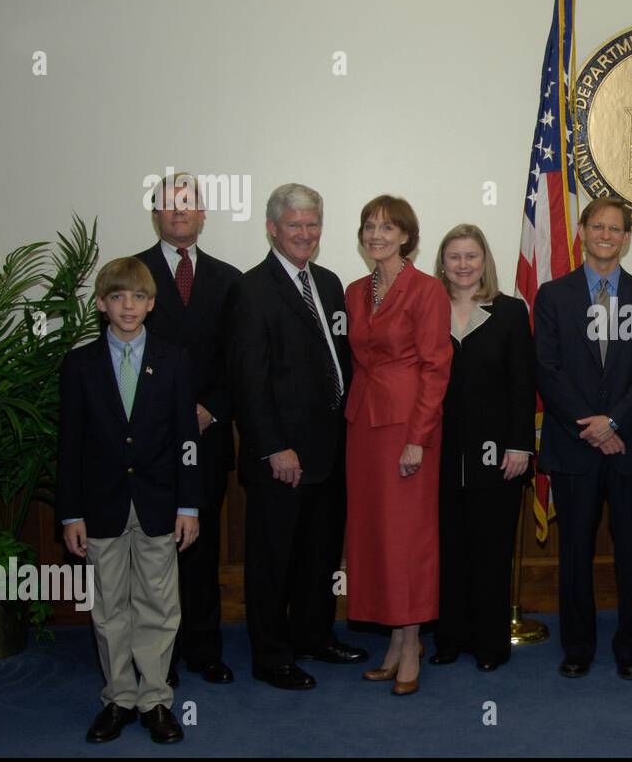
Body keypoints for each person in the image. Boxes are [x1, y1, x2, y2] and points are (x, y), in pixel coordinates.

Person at [228, 183, 366, 691]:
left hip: (331, 450)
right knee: (274, 559)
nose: (305, 234)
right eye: (294, 225)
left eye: (312, 225)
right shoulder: (251, 290)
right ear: (272, 228)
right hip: (281, 455)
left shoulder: (329, 284)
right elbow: (248, 380)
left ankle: (314, 635)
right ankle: (271, 655)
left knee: (320, 553)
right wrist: (272, 447)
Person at [57, 257, 200, 744]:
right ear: (101, 304)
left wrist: (189, 506)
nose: (128, 306)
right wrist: (71, 512)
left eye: (138, 297)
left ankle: (156, 699)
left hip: (161, 503)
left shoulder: (175, 359)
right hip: (100, 506)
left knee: (160, 604)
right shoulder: (80, 364)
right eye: (117, 297)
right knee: (109, 608)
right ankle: (119, 697)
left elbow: (187, 438)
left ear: (152, 304)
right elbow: (69, 445)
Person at [533, 195, 632, 680]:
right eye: (597, 226)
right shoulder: (553, 295)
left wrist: (613, 423)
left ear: (626, 238)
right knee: (574, 553)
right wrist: (591, 425)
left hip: (630, 448)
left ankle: (631, 649)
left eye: (615, 229)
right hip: (574, 447)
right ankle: (578, 647)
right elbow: (547, 370)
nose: (606, 235)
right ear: (583, 233)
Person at [135, 171, 242, 688]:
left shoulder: (229, 279)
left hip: (210, 435)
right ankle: (160, 656)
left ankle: (204, 649)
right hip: (150, 441)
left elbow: (241, 362)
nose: (179, 212)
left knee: (200, 545)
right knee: (155, 548)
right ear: (156, 215)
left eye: (189, 204)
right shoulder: (132, 277)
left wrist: (212, 409)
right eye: (168, 205)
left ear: (203, 215)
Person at [343, 196, 451, 695]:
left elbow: (436, 365)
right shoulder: (354, 290)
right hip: (363, 424)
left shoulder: (427, 290)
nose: (376, 235)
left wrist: (418, 438)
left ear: (406, 235)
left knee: (408, 539)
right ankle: (393, 640)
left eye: (387, 227)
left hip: (409, 427)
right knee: (376, 537)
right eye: (369, 226)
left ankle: (411, 645)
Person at [431, 224, 534, 673]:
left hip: (498, 455)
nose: (463, 265)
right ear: (442, 262)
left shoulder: (510, 311)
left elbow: (522, 384)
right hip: (440, 451)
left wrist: (519, 446)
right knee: (449, 550)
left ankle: (490, 645)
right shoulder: (427, 309)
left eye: (471, 256)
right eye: (454, 256)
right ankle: (450, 637)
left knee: (491, 551)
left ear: (484, 261)